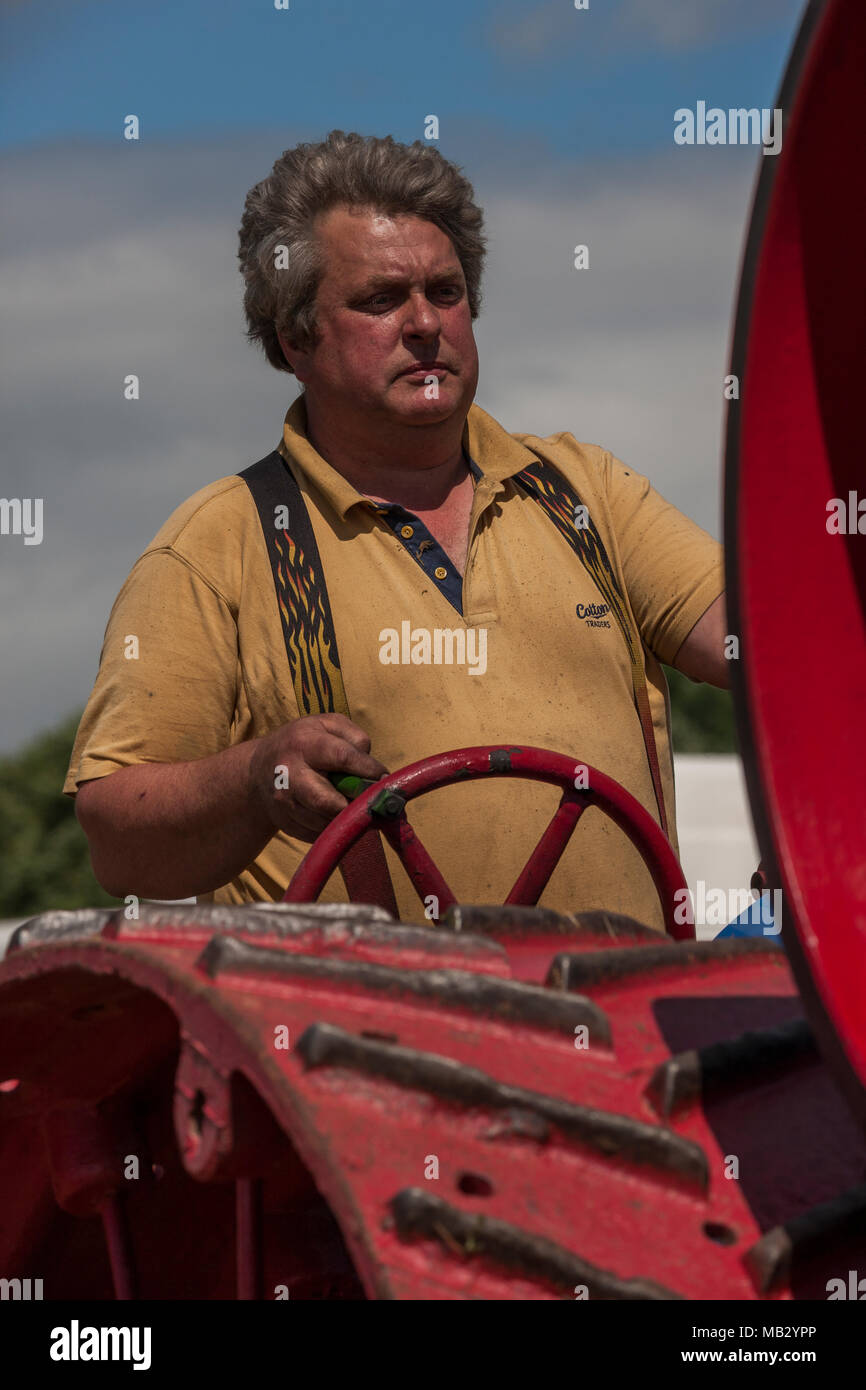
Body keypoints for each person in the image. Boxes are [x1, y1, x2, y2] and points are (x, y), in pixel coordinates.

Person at [65, 130, 728, 933]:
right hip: (353, 1048)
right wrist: (255, 779)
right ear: (294, 339)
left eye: (445, 292)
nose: (424, 323)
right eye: (381, 300)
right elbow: (117, 840)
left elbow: (775, 649)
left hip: (632, 1038)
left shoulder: (585, 493)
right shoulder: (218, 544)